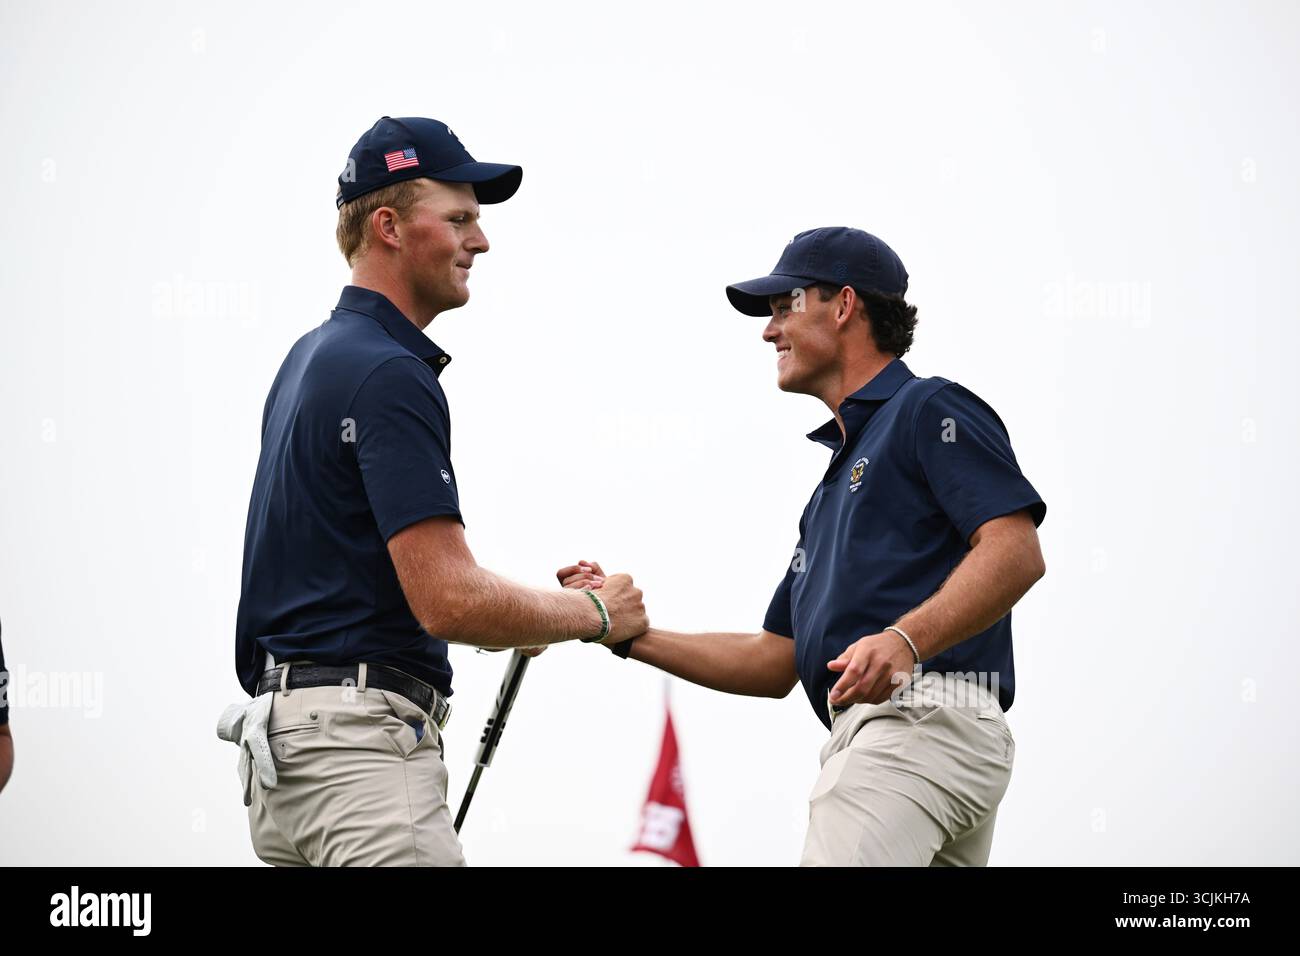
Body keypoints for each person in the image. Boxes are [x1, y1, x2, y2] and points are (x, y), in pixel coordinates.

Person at [220, 116, 646, 867]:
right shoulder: (389, 371)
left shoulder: (308, 359)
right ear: (388, 226)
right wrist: (593, 613)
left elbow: (381, 582)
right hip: (359, 761)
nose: (479, 242)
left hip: (288, 763)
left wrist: (536, 617)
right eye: (459, 220)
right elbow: (447, 600)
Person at [559, 226, 1045, 866]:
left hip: (916, 723)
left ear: (844, 306)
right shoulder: (825, 497)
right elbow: (773, 661)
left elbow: (1015, 552)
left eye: (786, 305)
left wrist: (903, 641)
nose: (769, 330)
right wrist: (622, 633)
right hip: (916, 737)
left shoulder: (929, 407)